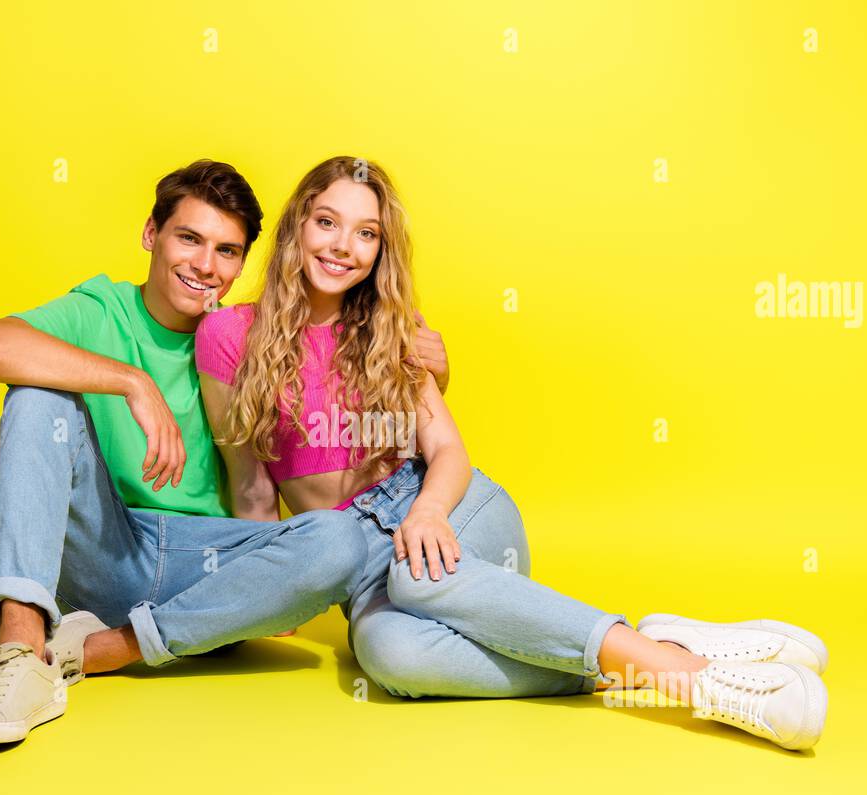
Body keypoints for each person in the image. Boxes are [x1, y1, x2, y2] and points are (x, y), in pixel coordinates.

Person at [195, 156, 830, 751]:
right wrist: (272, 590)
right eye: (327, 223)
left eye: (365, 234)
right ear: (296, 225)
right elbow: (249, 486)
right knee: (392, 658)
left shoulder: (391, 328)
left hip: (449, 511)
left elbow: (446, 450)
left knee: (416, 576)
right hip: (358, 564)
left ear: (381, 252)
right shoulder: (228, 335)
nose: (341, 246)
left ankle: (700, 685)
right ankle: (645, 648)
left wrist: (427, 513)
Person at [0, 158, 455, 748]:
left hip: (206, 565)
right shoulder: (102, 310)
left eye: (227, 251)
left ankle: (86, 646)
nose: (205, 266)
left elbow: (358, 434)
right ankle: (19, 653)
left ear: (244, 263)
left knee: (336, 539)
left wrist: (436, 374)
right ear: (150, 235)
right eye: (188, 238)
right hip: (111, 547)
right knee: (36, 397)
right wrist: (134, 383)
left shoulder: (254, 336)